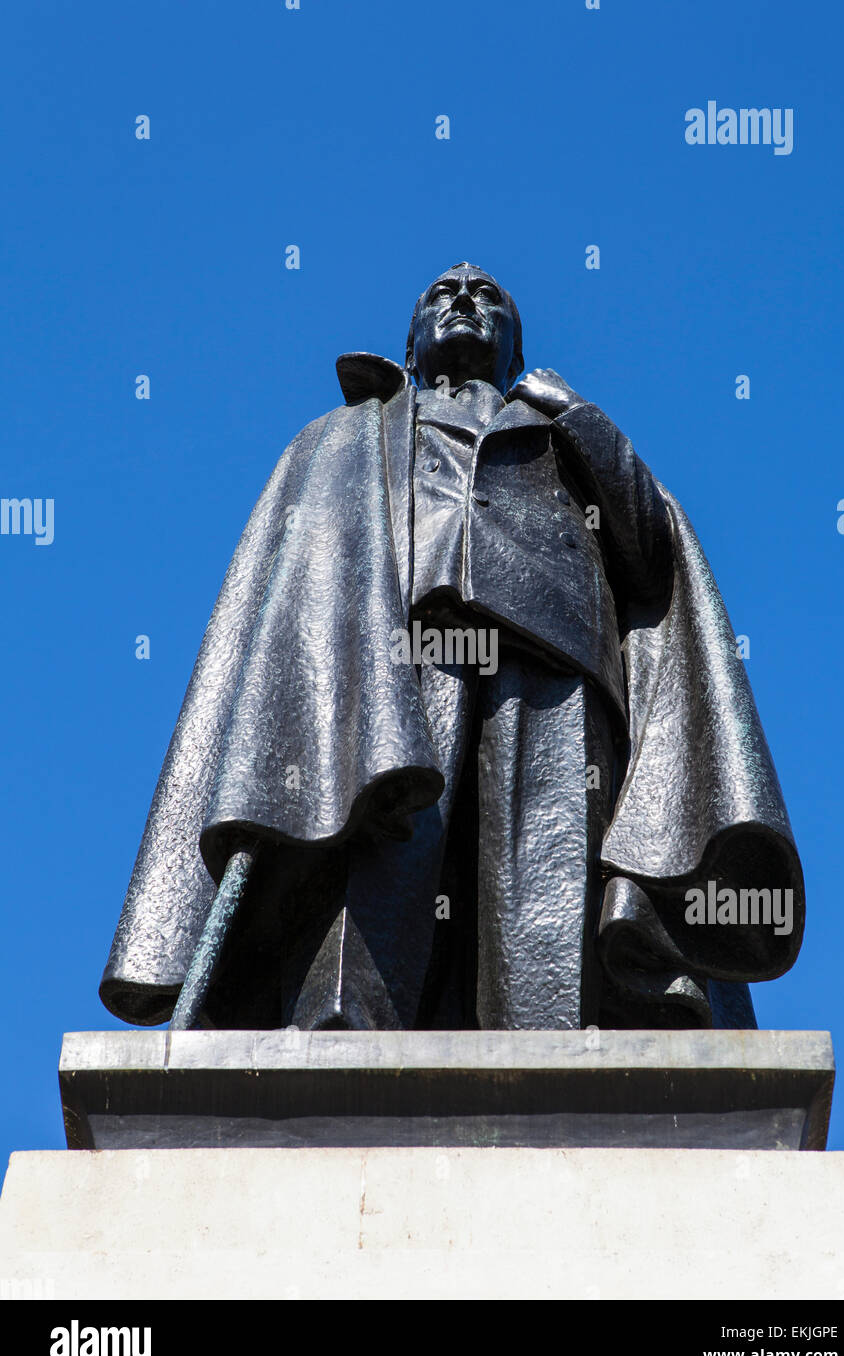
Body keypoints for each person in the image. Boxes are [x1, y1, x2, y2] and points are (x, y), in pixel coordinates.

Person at [100, 263, 804, 1031]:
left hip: (555, 662)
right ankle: (341, 1036)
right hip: (396, 648)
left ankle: (547, 1064)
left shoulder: (566, 435)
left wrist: (580, 417)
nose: (466, 300)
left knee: (545, 881)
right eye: (444, 293)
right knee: (377, 834)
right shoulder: (351, 437)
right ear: (410, 346)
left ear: (515, 348)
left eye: (489, 296)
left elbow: (649, 549)